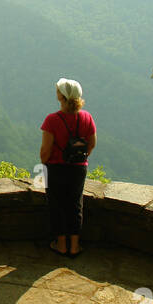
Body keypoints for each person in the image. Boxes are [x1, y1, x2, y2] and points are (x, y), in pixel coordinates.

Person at [39, 77, 96, 257]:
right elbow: (92, 144)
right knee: (74, 204)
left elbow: (45, 150)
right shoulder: (86, 117)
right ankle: (75, 246)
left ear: (61, 97)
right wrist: (81, 159)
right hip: (78, 168)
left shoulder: (52, 120)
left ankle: (61, 245)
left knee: (56, 204)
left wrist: (45, 163)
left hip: (55, 168)